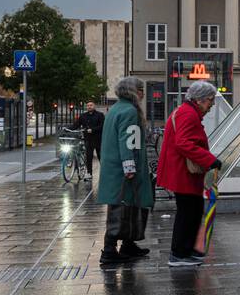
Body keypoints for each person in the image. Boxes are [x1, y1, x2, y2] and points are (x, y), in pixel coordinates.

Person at [158, 81, 223, 267]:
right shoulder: (188, 114)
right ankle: (179, 253)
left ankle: (186, 249)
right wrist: (209, 160)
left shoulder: (187, 111)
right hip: (183, 172)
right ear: (200, 99)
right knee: (188, 212)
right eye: (210, 100)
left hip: (183, 171)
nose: (212, 105)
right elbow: (183, 143)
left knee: (193, 210)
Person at [97, 77, 155, 267]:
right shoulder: (130, 111)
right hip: (124, 170)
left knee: (128, 205)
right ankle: (109, 250)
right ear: (133, 91)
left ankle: (128, 245)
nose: (143, 93)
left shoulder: (115, 109)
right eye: (140, 89)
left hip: (114, 168)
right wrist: (129, 166)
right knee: (122, 206)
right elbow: (127, 140)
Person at [74, 100, 105, 174]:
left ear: (94, 106)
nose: (89, 107)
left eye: (91, 105)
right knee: (89, 157)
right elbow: (76, 125)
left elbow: (102, 126)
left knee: (101, 157)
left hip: (98, 139)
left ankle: (104, 172)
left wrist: (93, 130)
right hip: (88, 139)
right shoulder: (83, 116)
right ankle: (89, 173)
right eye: (88, 105)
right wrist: (68, 129)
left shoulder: (100, 115)